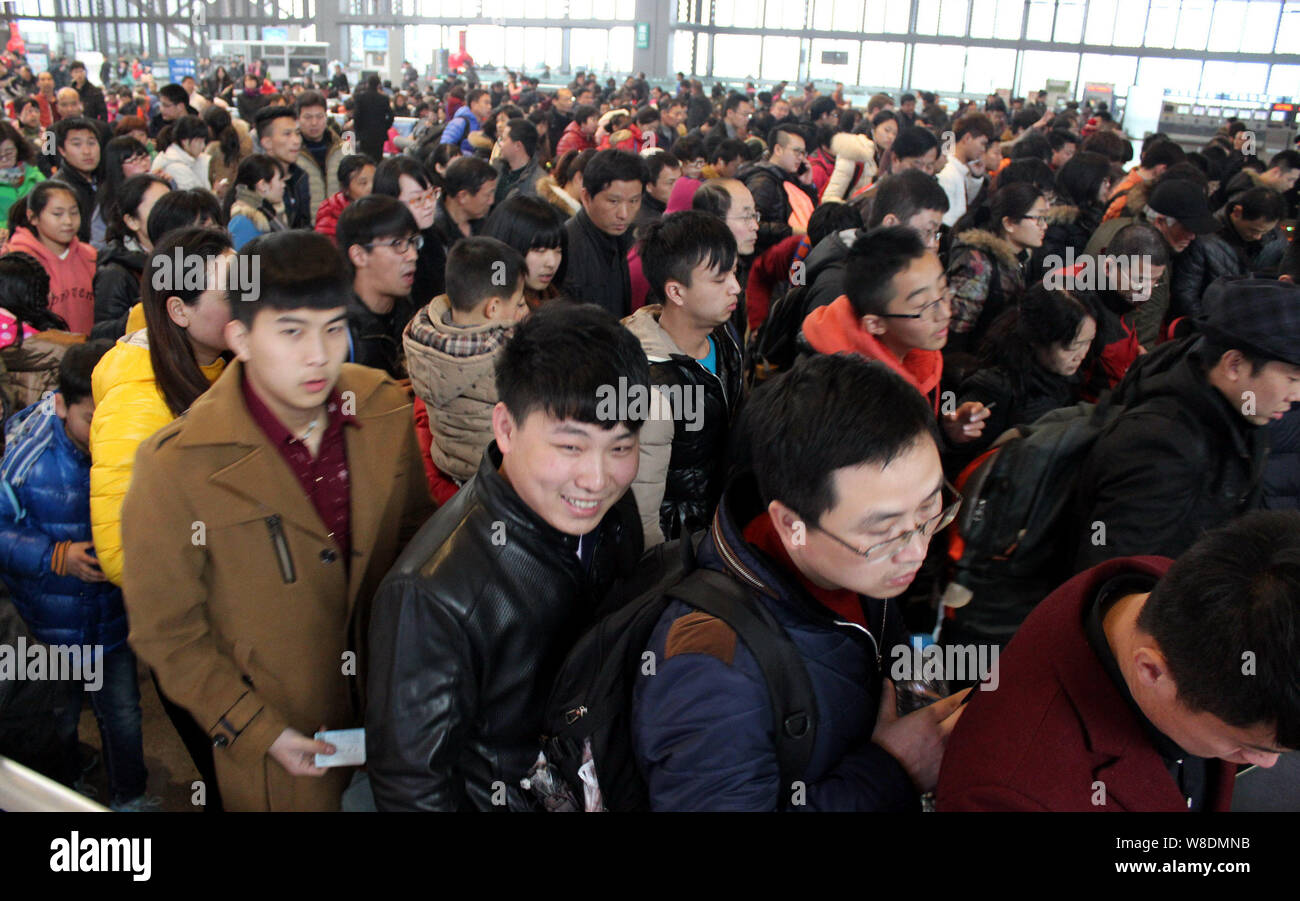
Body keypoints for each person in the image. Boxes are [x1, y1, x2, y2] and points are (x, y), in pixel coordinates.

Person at [120, 229, 433, 812]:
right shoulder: (176, 466)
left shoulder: (383, 406)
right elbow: (168, 632)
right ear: (239, 336)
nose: (319, 356)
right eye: (291, 332)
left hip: (397, 721)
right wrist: (257, 730)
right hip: (281, 751)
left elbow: (415, 539)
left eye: (334, 328)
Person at [633, 352, 971, 810]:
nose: (916, 550)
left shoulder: (858, 570)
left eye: (930, 509)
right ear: (790, 523)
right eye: (883, 532)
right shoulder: (708, 673)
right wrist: (892, 769)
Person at [366, 303, 647, 811]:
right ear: (507, 428)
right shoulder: (432, 593)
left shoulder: (613, 512)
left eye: (621, 447)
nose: (596, 478)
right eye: (570, 446)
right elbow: (412, 787)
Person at [939, 510, 1299, 811]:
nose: (1268, 763)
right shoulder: (1009, 796)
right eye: (1251, 747)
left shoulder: (1190, 596)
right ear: (1152, 671)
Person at [0, 339, 161, 810]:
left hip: (111, 621)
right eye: (92, 418)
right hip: (47, 628)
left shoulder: (128, 438)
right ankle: (67, 789)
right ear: (61, 403)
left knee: (125, 715)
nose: (102, 431)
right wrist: (56, 555)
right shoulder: (23, 457)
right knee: (60, 717)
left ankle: (129, 798)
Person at [1072, 278, 1300, 573]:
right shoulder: (1162, 449)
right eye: (1292, 379)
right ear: (1233, 365)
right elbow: (1106, 578)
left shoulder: (1242, 415)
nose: (1295, 396)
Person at [800, 226, 988, 446]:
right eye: (923, 305)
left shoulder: (920, 350)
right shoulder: (839, 407)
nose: (946, 313)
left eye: (944, 291)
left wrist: (948, 429)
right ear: (876, 324)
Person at [625, 211, 743, 547]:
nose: (736, 287)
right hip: (680, 548)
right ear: (676, 292)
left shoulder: (725, 336)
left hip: (718, 526)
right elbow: (642, 506)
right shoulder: (647, 386)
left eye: (734, 272)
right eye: (720, 279)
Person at [404, 236, 529, 504]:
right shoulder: (507, 354)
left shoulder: (423, 342)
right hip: (499, 480)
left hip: (446, 472)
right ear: (493, 308)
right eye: (519, 303)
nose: (525, 310)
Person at [951, 286, 1095, 467]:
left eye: (1088, 342)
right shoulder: (995, 388)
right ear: (1037, 339)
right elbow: (959, 452)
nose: (1081, 354)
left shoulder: (1064, 373)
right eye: (1072, 346)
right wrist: (953, 432)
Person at [1085, 178, 1218, 347]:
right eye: (1186, 227)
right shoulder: (1149, 264)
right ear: (1161, 221)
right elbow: (1142, 330)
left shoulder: (1114, 226)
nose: (1192, 236)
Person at [804, 169, 949, 316]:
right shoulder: (839, 287)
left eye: (936, 234)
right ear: (891, 224)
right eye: (928, 231)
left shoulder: (891, 270)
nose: (933, 244)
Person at [945, 183, 1048, 357]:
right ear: (1009, 223)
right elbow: (956, 334)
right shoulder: (978, 265)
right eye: (1038, 218)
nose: (1044, 226)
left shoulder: (1022, 258)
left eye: (1046, 219)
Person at [335, 195, 422, 378]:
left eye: (413, 241)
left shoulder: (412, 315)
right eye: (397, 244)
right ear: (359, 255)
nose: (412, 255)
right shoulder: (339, 333)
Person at [1170, 186, 1284, 323]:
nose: (1259, 237)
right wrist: (1206, 325)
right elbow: (1185, 292)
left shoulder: (1276, 239)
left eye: (1265, 232)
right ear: (1237, 212)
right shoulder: (1204, 239)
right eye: (1254, 230)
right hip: (1213, 323)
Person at [1, 181, 96, 335]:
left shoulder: (91, 256)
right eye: (57, 214)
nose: (68, 221)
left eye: (74, 212)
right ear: (33, 217)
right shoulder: (17, 263)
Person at [564, 148, 647, 317]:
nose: (624, 214)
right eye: (613, 201)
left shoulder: (624, 236)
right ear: (586, 197)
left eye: (633, 201)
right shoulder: (567, 249)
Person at [92, 173, 170, 340]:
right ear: (131, 221)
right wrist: (141, 315)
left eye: (171, 205)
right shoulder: (115, 272)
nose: (169, 214)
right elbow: (102, 336)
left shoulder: (177, 256)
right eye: (158, 207)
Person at [1030, 151, 1111, 280]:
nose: (1108, 186)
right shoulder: (1060, 221)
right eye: (1104, 181)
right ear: (1089, 181)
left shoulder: (1088, 214)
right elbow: (1051, 270)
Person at [481, 194, 567, 309]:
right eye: (539, 251)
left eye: (558, 250)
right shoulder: (490, 309)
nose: (551, 263)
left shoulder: (553, 297)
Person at [741, 124, 817, 253]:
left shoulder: (789, 178)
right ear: (778, 149)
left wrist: (807, 185)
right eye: (796, 151)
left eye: (803, 153)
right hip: (768, 258)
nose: (801, 158)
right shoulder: (763, 182)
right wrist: (791, 231)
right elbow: (751, 224)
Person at [937, 112, 998, 227]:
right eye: (982, 143)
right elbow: (945, 220)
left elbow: (965, 204)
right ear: (967, 138)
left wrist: (976, 177)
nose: (983, 150)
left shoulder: (960, 170)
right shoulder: (948, 172)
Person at [48, 117, 102, 244]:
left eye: (91, 143)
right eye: (77, 144)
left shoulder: (104, 178)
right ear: (62, 150)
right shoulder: (59, 190)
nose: (87, 151)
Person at [254, 106, 310, 229]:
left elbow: (305, 224)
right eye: (287, 134)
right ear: (267, 143)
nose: (296, 141)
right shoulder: (255, 182)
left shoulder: (300, 176)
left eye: (297, 133)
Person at [295, 90, 344, 221]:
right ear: (298, 118)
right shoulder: (291, 152)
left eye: (319, 116)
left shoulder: (342, 148)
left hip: (337, 225)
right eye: (308, 117)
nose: (314, 123)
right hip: (305, 229)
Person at [224, 154, 288, 250]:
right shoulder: (244, 222)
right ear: (262, 185)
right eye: (280, 180)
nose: (283, 185)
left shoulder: (268, 214)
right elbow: (243, 263)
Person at [0, 121, 45, 244]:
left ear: (18, 148)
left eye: (9, 152)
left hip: (38, 240)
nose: (4, 158)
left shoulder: (34, 176)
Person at [314, 153, 374, 240]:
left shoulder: (382, 207)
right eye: (363, 183)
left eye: (374, 181)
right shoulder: (330, 215)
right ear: (345, 189)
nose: (371, 188)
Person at [149, 114, 210, 191]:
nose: (203, 146)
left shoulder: (193, 158)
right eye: (199, 142)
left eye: (204, 141)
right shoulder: (174, 166)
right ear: (185, 141)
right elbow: (195, 198)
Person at [493, 116, 542, 203]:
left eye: (503, 140)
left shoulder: (537, 184)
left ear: (517, 146)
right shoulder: (496, 168)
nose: (500, 144)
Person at [634, 151, 680, 229]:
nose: (678, 188)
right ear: (649, 186)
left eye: (679, 181)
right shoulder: (648, 224)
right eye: (670, 183)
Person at [439, 86, 490, 156]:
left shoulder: (482, 124)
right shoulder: (459, 122)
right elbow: (445, 147)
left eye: (490, 103)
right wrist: (470, 156)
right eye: (486, 103)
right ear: (474, 104)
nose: (490, 107)